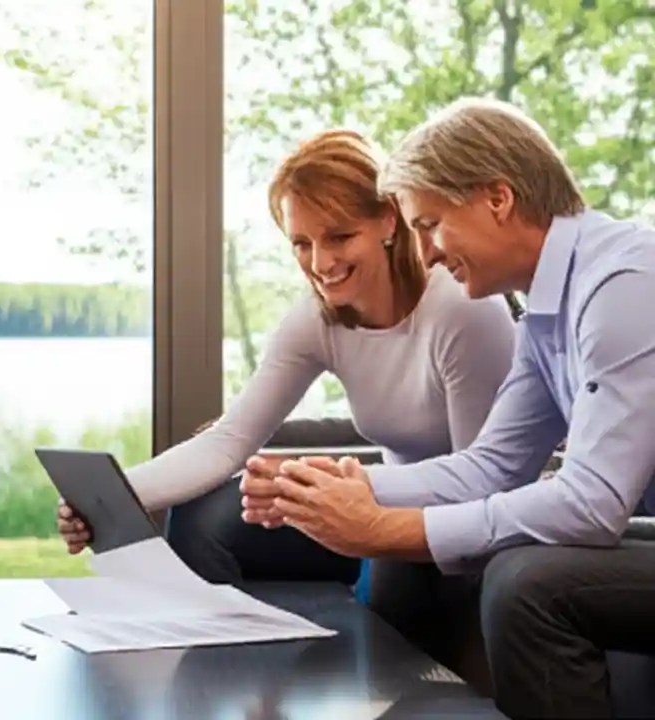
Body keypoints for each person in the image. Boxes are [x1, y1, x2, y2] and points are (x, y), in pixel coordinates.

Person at [241, 97, 655, 718]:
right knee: (448, 552)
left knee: (526, 583)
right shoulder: (545, 311)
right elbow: (489, 465)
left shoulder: (621, 286)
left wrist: (391, 529)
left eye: (430, 224)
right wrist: (337, 486)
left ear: (497, 198)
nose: (427, 252)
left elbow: (591, 505)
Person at [55, 129, 517, 630]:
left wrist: (336, 490)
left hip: (461, 523)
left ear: (389, 219)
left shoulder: (462, 309)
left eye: (339, 236)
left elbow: (483, 481)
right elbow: (227, 441)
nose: (321, 264)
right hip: (369, 508)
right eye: (302, 243)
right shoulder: (318, 318)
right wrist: (113, 499)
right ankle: (210, 669)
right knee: (202, 515)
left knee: (389, 562)